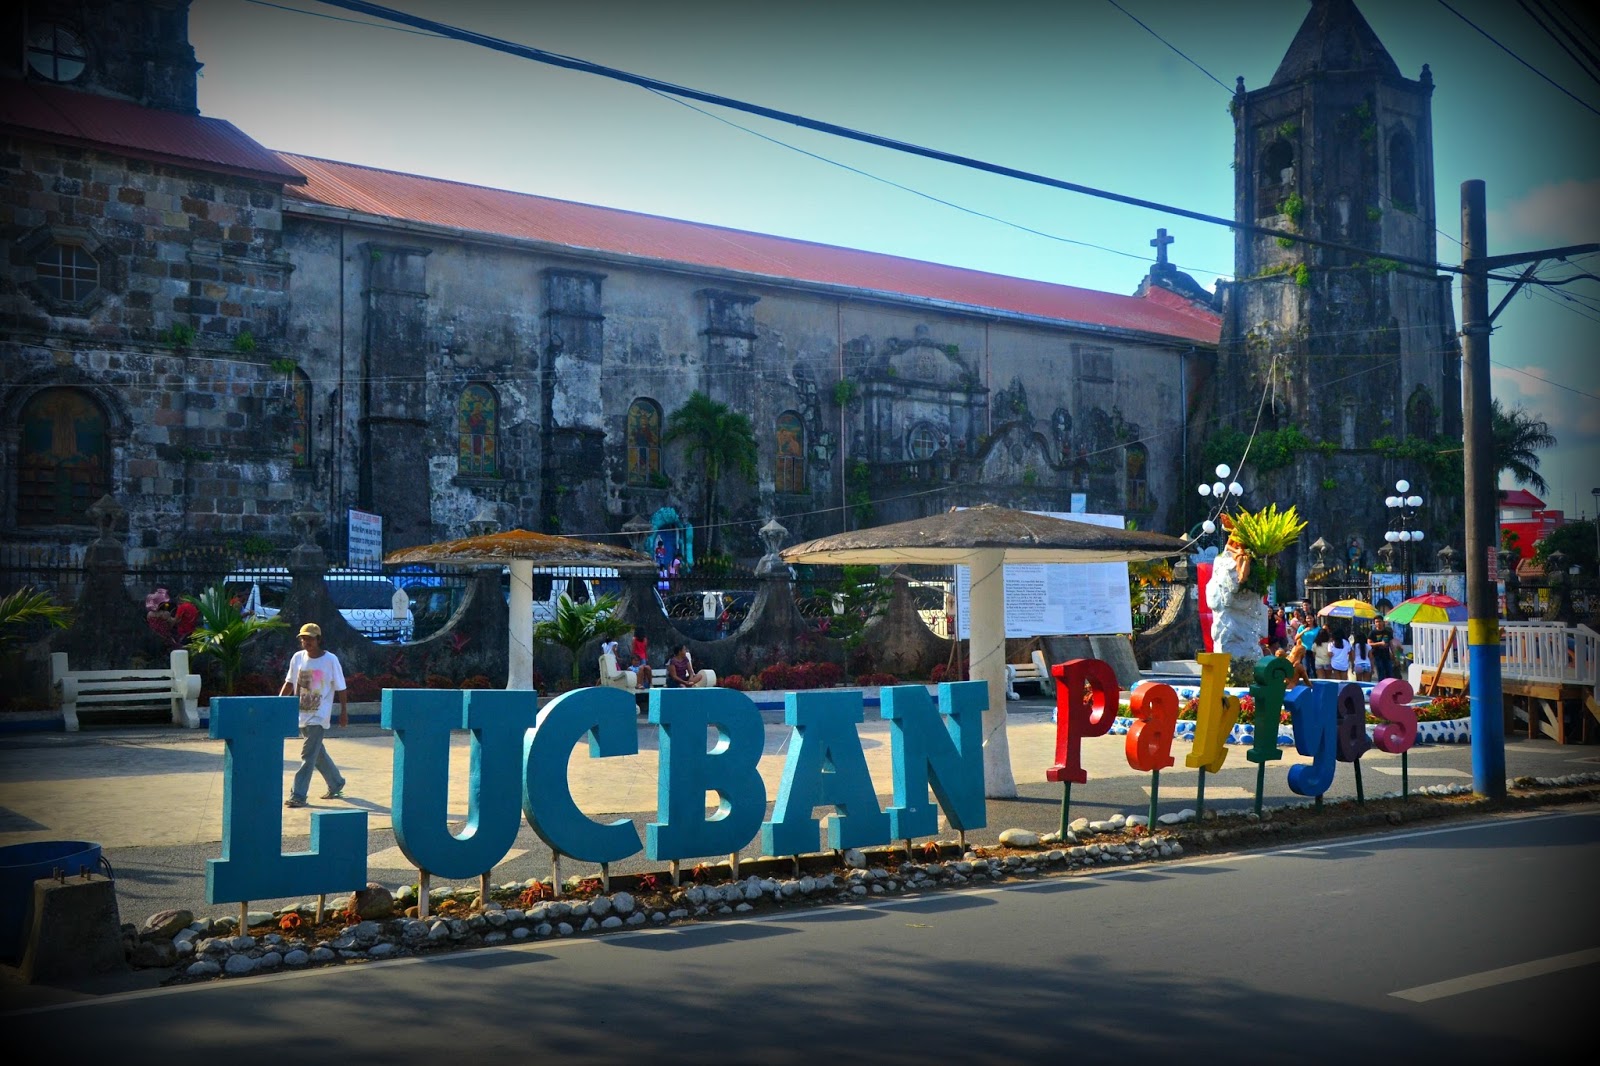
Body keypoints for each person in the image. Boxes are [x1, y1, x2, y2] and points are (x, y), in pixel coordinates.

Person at [279, 622, 348, 808]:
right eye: (303, 638)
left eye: (309, 638)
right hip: (301, 713)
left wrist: (343, 712)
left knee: (307, 755)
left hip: (319, 715)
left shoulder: (330, 660)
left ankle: (298, 795)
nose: (306, 641)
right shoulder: (297, 658)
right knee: (317, 754)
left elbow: (341, 688)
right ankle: (336, 782)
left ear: (318, 639)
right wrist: (277, 703)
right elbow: (289, 683)